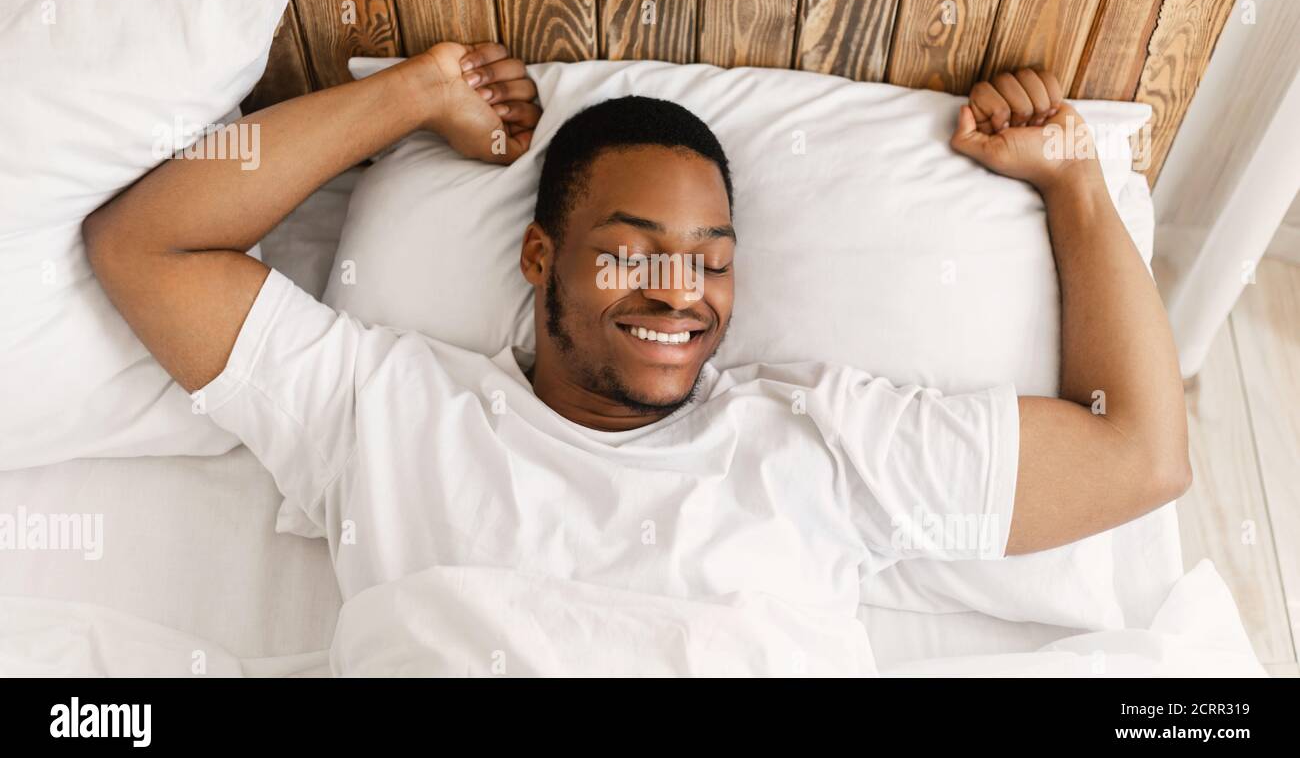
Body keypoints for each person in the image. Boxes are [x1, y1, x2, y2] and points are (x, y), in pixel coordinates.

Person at [82, 43, 1190, 674]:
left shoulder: (824, 441)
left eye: (712, 262)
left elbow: (1138, 455)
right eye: (631, 255)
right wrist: (406, 98)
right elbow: (146, 244)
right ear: (538, 257)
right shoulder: (387, 410)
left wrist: (1076, 185)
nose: (680, 294)